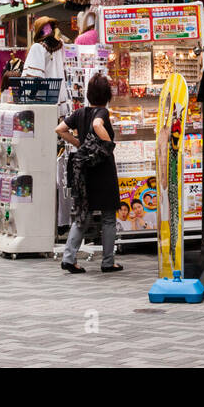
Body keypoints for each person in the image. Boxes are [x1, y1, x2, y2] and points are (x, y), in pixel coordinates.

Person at [56, 74, 121, 273]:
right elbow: (97, 125)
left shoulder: (79, 113)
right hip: (103, 171)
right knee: (109, 216)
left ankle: (69, 258)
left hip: (85, 172)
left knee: (82, 214)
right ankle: (108, 262)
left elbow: (60, 129)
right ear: (107, 94)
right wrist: (107, 143)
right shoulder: (102, 112)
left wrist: (80, 144)